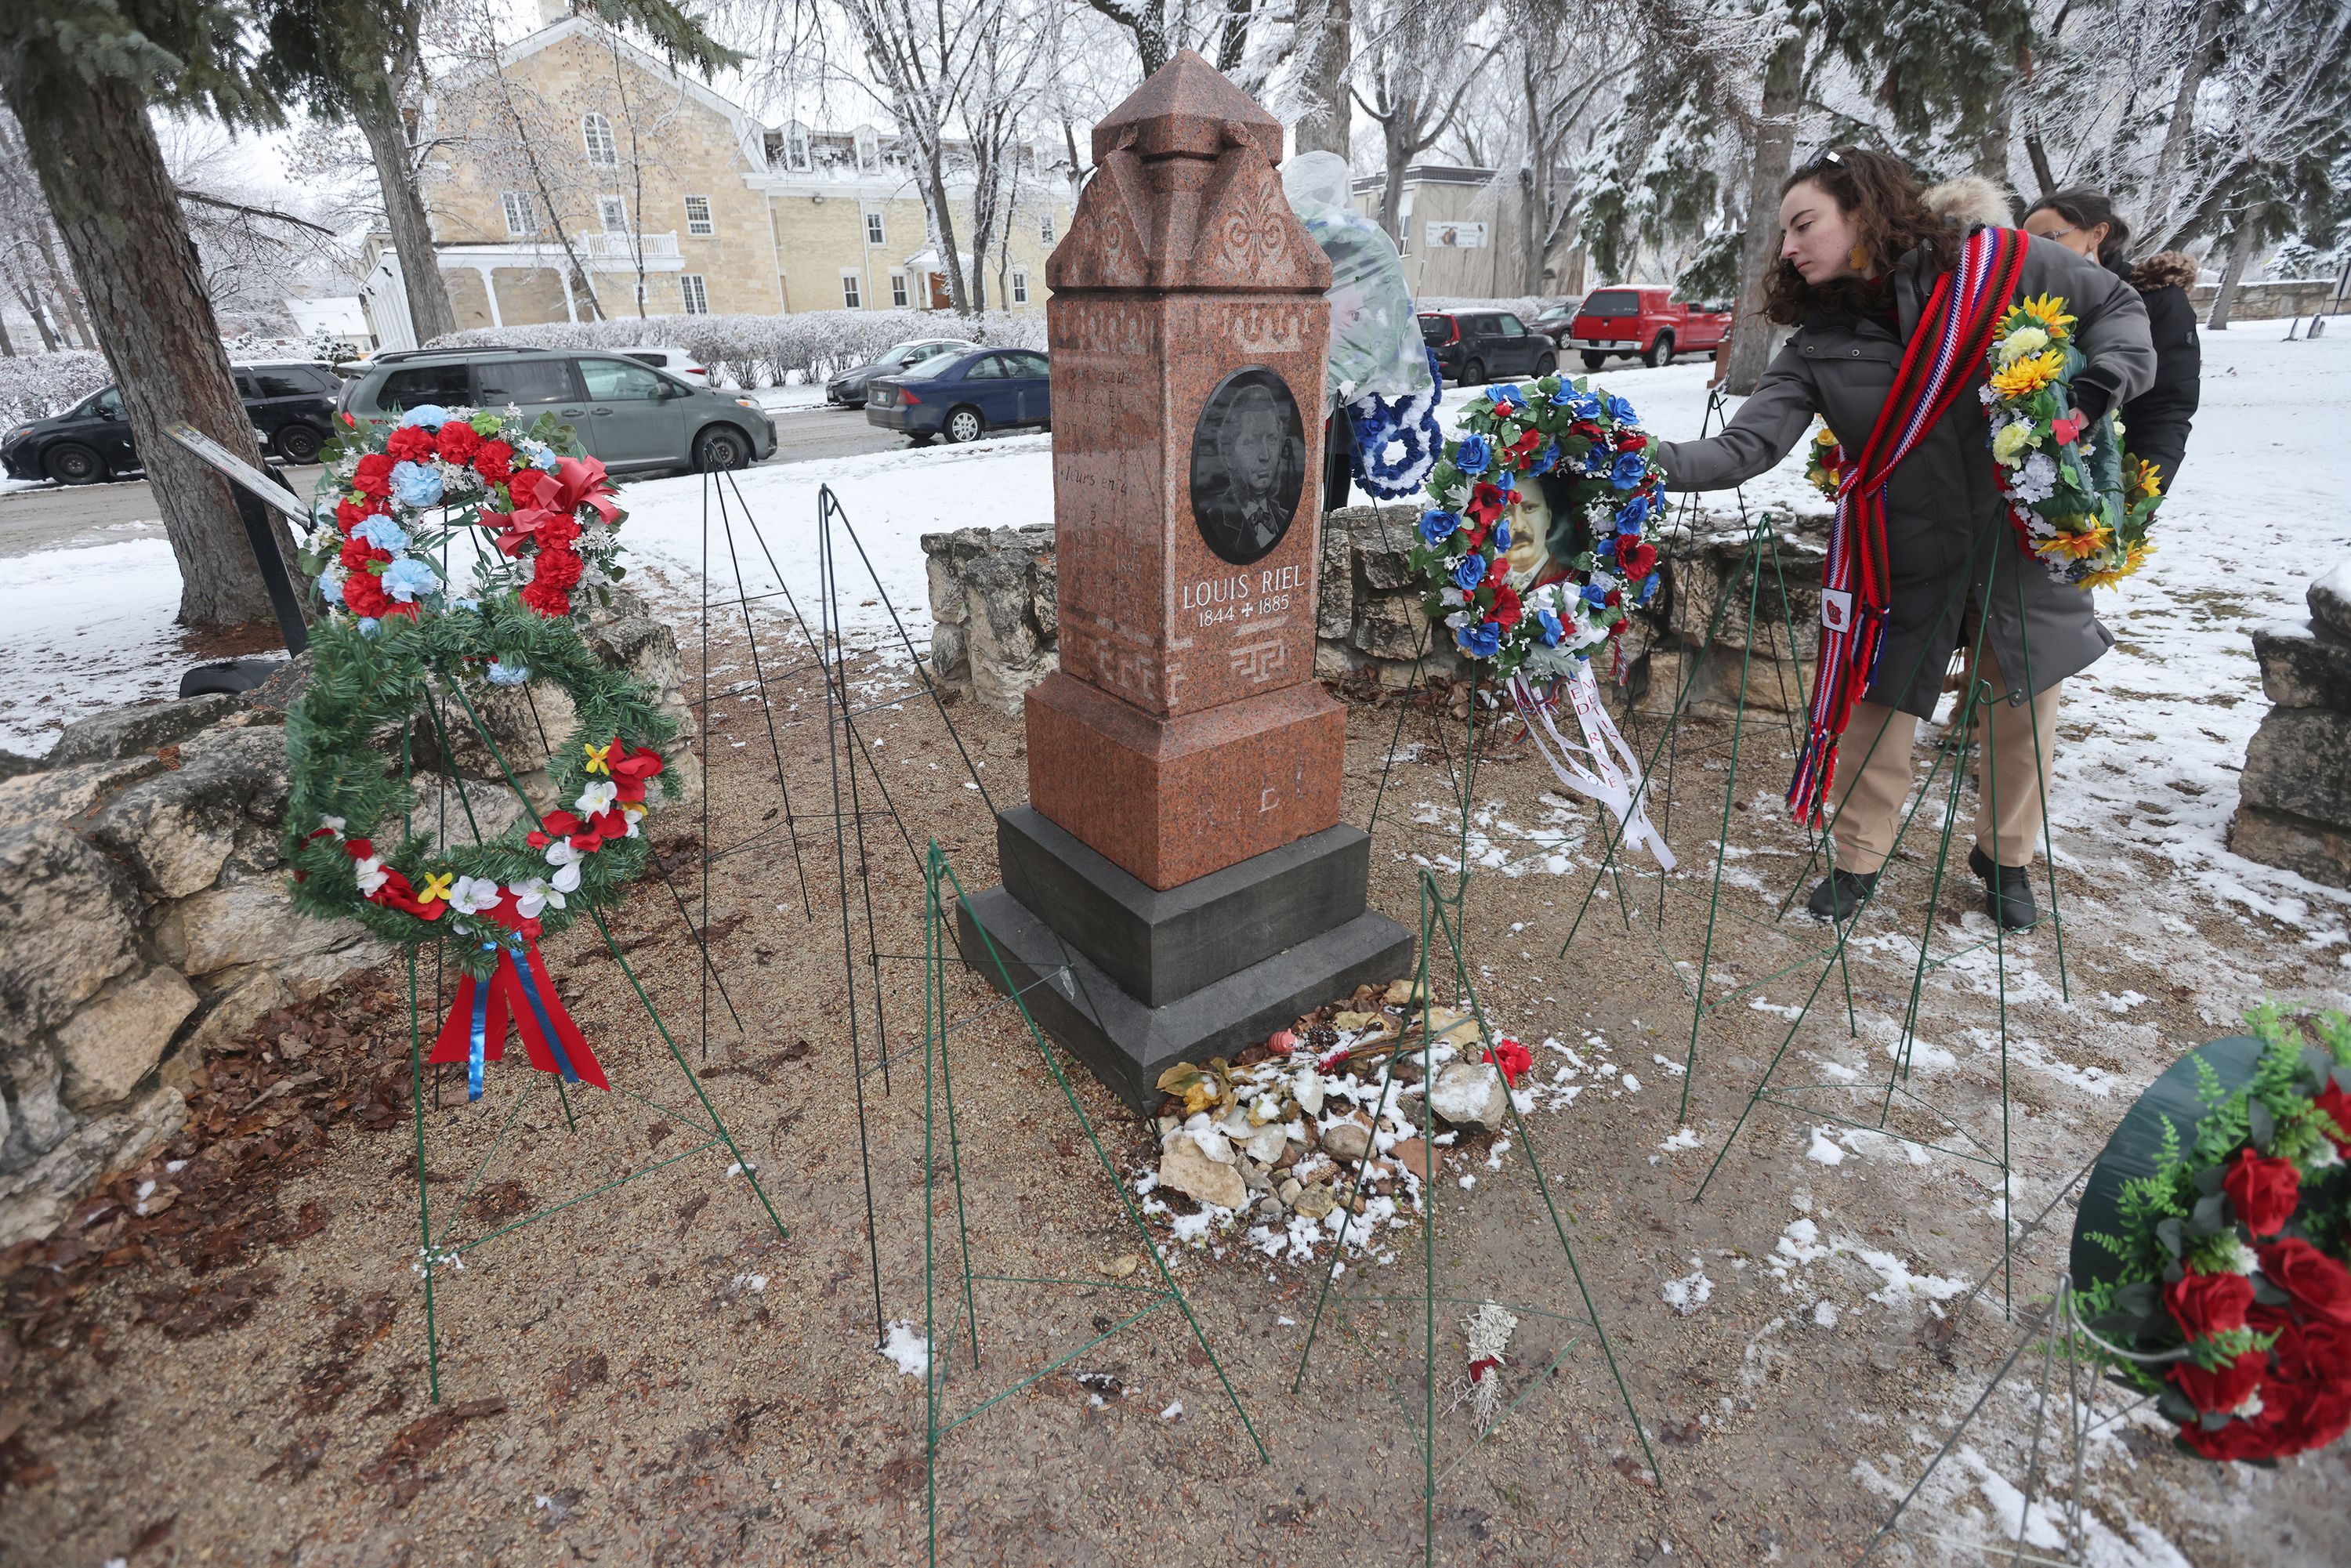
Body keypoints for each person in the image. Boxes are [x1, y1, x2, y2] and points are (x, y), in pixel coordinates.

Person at [1652, 147, 2154, 929]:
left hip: (2015, 545)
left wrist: (2092, 390)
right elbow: (1741, 451)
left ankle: (2005, 859)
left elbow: (2119, 307)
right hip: (1901, 554)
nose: (1787, 247)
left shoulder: (2001, 264)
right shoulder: (1817, 345)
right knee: (1878, 713)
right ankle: (1857, 859)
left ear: (1864, 210)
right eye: (1784, 233)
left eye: (1803, 223)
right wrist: (1630, 461)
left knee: (2020, 713)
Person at [2022, 186, 2201, 490]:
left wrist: (2141, 489)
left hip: (2110, 472)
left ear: (2097, 234)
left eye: (2051, 239)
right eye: (2028, 244)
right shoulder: (2027, 302)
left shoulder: (2156, 300)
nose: (2039, 252)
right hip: (2037, 476)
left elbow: (2167, 407)